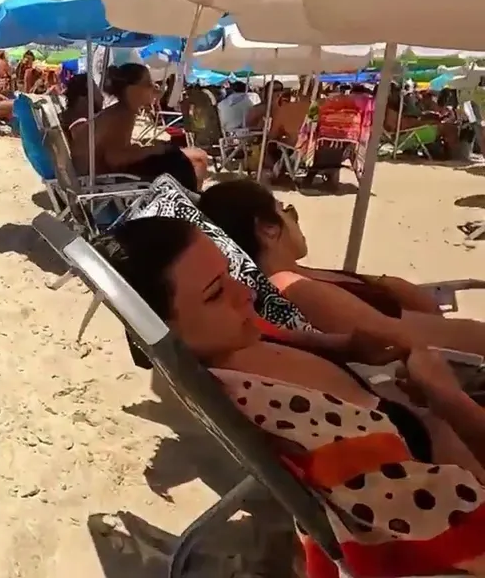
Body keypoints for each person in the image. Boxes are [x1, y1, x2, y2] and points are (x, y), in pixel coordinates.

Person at [99, 215, 485, 575]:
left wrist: (345, 346)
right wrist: (449, 399)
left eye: (230, 272)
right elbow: (455, 525)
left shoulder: (231, 339)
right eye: (215, 293)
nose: (246, 291)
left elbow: (283, 337)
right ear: (168, 330)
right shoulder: (285, 416)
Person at [198, 179, 485, 357]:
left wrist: (385, 284)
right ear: (268, 229)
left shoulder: (299, 276)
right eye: (286, 210)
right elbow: (398, 339)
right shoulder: (295, 288)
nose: (294, 219)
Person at [69, 63, 209, 191]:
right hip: (104, 181)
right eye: (147, 83)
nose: (154, 88)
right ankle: (189, 200)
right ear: (132, 89)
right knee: (194, 160)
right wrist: (151, 150)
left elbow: (114, 151)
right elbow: (114, 158)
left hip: (98, 177)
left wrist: (143, 148)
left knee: (188, 156)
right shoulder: (123, 115)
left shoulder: (120, 111)